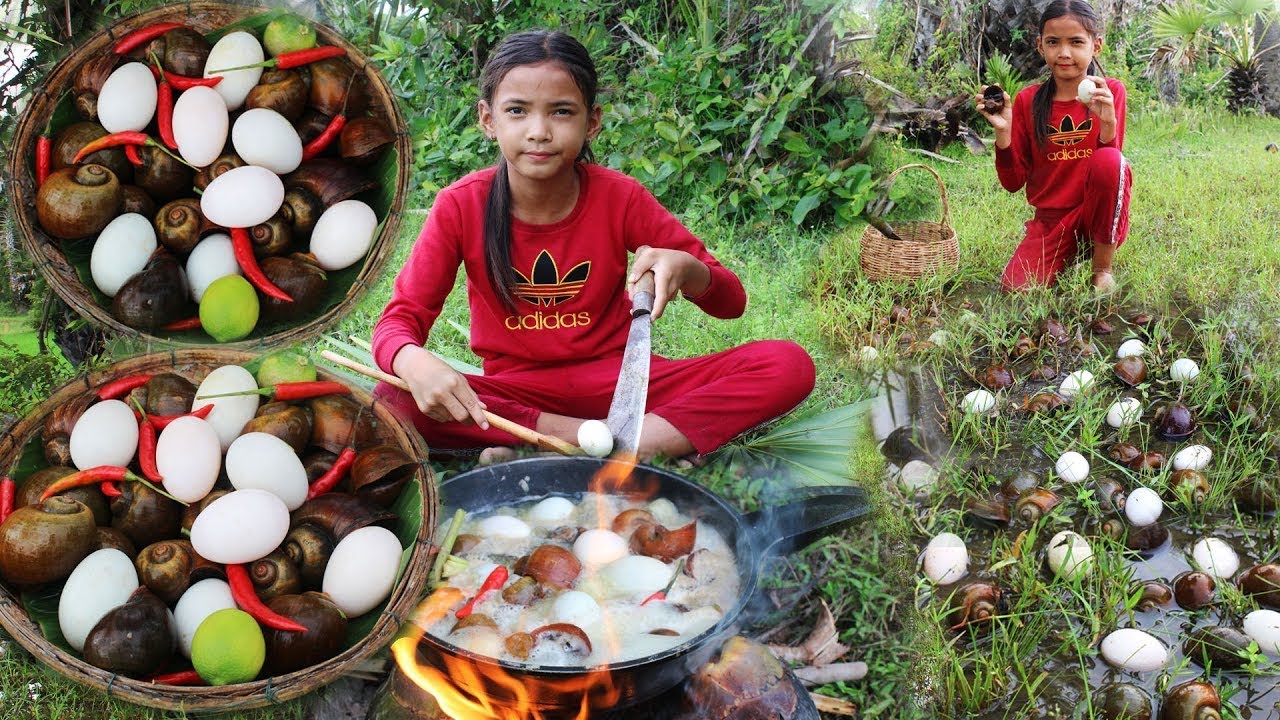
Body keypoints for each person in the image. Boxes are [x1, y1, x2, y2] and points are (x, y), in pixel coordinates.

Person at [371, 30, 815, 461]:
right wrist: (412, 360)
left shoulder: (619, 197)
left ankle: (609, 445)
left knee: (786, 364)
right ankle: (604, 444)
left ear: (593, 121)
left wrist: (689, 269)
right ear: (488, 119)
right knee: (392, 399)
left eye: (562, 112)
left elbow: (731, 300)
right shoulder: (460, 205)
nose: (539, 131)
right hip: (521, 397)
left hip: (627, 386)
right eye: (518, 111)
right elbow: (398, 323)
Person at [976, 0, 1132, 293]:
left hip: (1094, 214)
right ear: (1040, 45)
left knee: (1111, 160)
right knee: (1017, 287)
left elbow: (1110, 171)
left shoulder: (1108, 93)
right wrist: (1003, 133)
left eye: (1076, 42)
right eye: (1053, 42)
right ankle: (1066, 252)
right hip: (1051, 223)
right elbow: (1013, 183)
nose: (1064, 53)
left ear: (1095, 45)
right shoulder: (1028, 101)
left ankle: (1101, 269)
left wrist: (1108, 124)